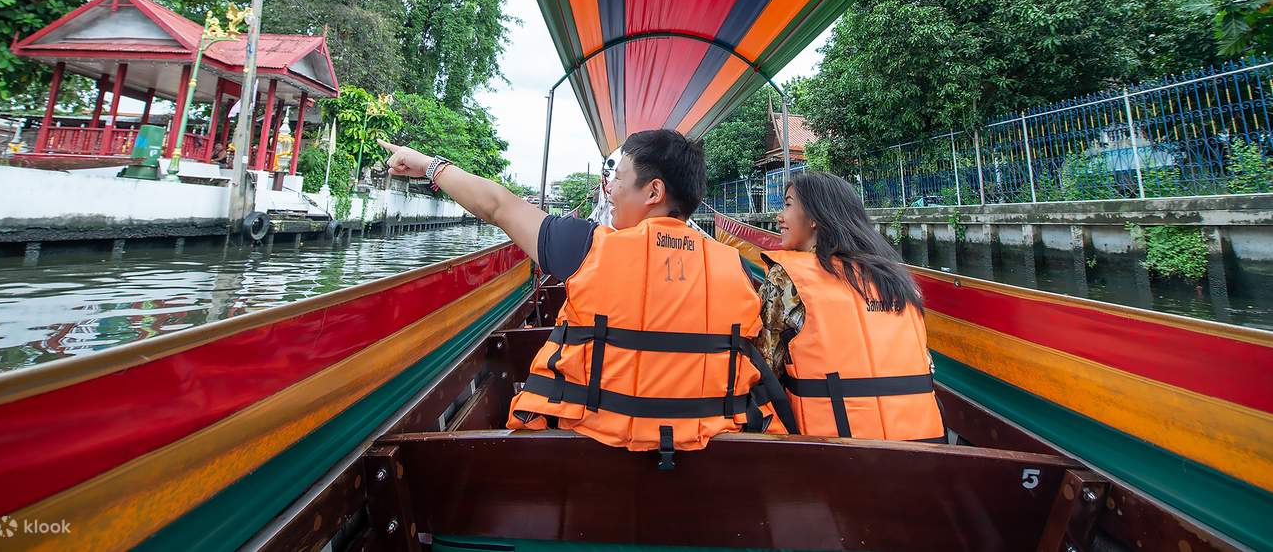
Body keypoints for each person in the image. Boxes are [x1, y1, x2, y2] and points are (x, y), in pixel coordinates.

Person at [380, 129, 795, 457]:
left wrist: (427, 165)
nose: (609, 190)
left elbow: (498, 206)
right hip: (711, 463)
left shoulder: (586, 246)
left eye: (619, 179)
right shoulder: (739, 269)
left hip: (581, 457)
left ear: (653, 192)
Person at [757, 172, 944, 442]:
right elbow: (926, 366)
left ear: (814, 219)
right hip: (922, 445)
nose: (779, 216)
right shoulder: (898, 281)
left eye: (787, 204)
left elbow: (765, 368)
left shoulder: (787, 278)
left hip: (832, 450)